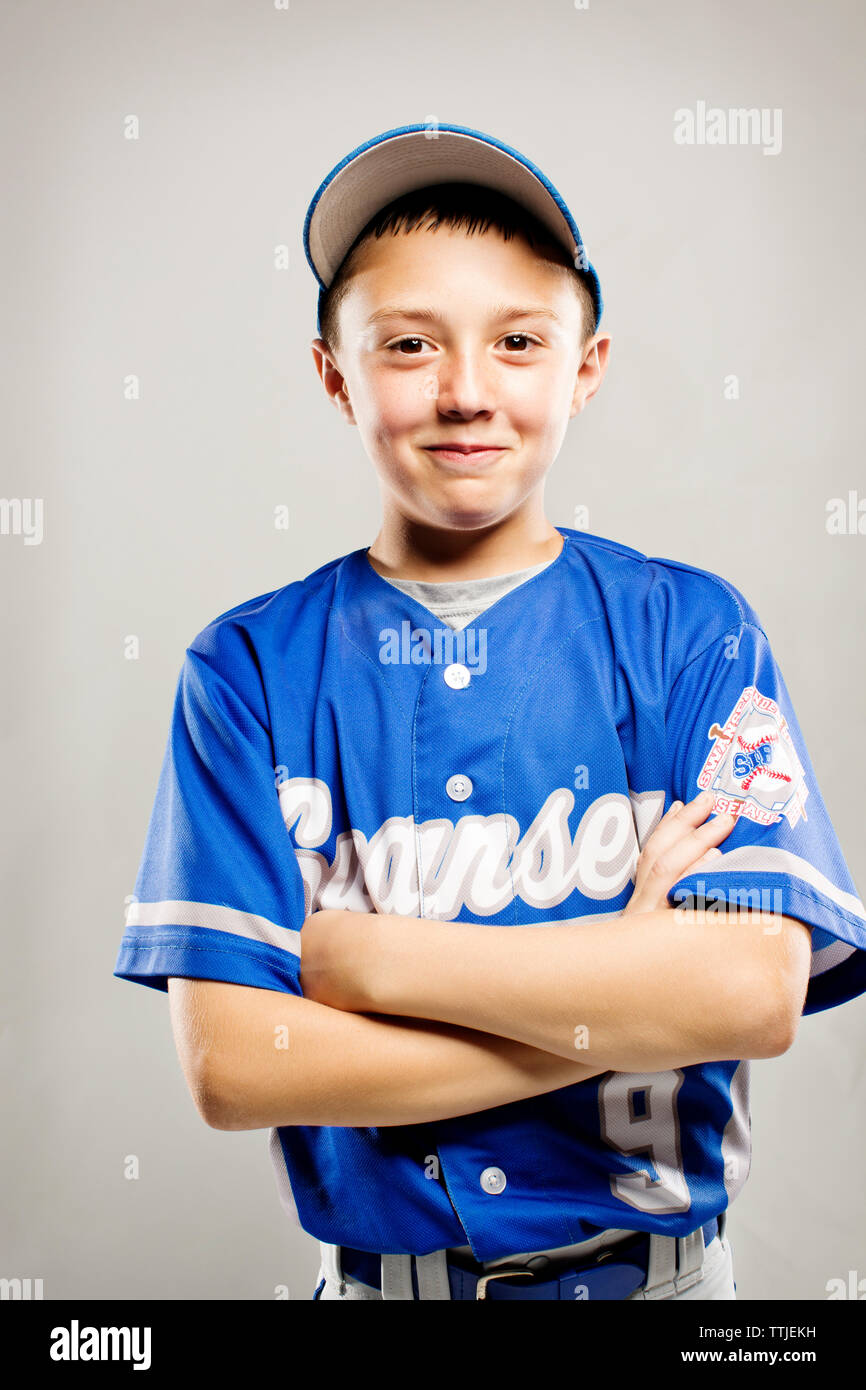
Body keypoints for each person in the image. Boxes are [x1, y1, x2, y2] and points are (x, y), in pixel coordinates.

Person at [114, 123, 866, 1301]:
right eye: (408, 344)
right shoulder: (248, 667)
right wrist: (628, 979)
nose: (465, 390)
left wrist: (362, 959)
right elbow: (236, 1066)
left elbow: (749, 995)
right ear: (333, 373)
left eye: (517, 341)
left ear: (584, 365)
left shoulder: (693, 633)